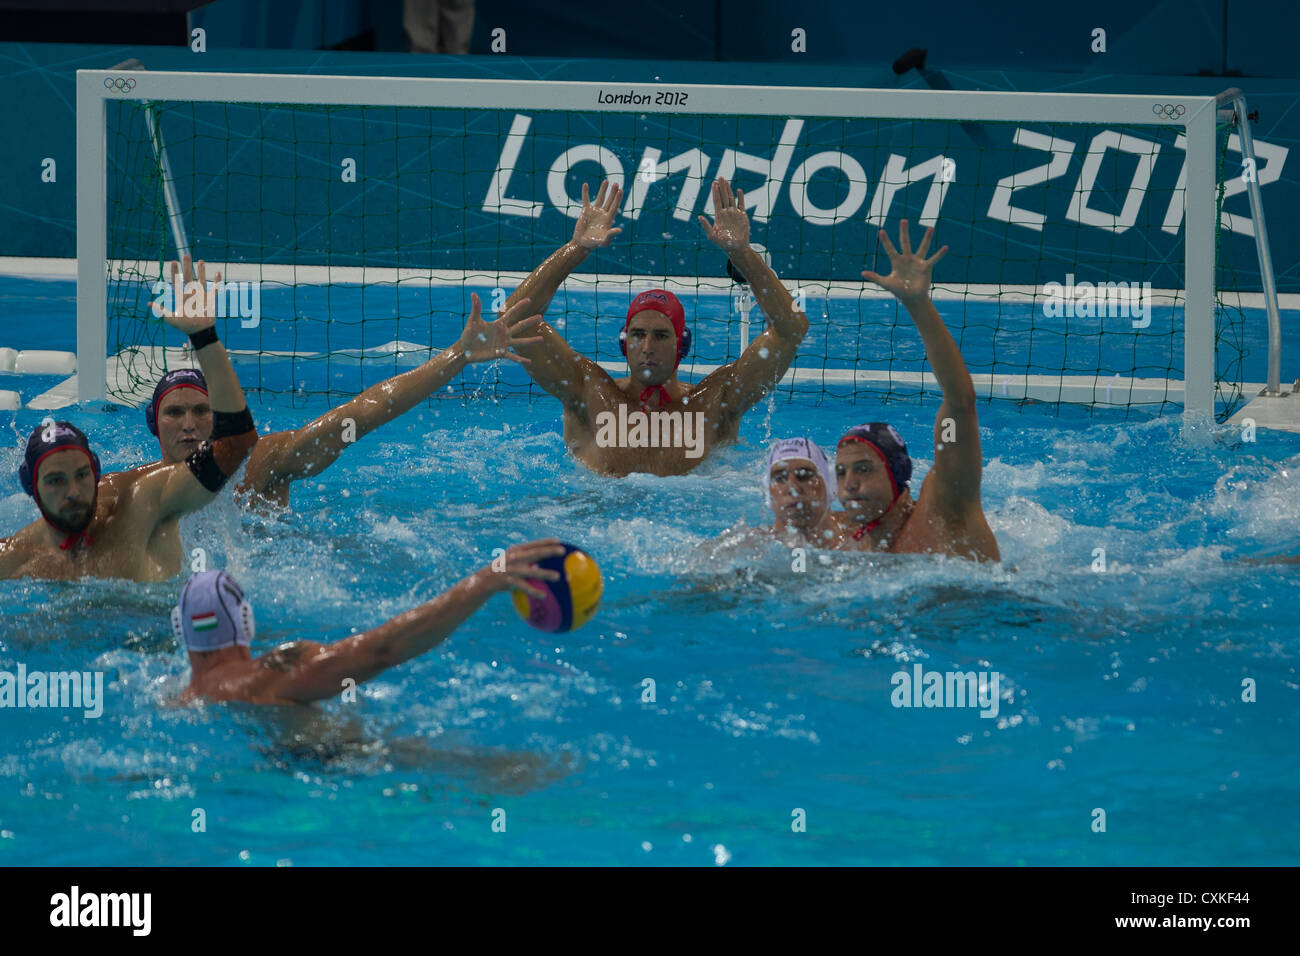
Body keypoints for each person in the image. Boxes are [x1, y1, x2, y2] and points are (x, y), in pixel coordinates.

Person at [500, 178, 809, 476]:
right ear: (624, 342)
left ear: (682, 344)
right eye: (638, 334)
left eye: (661, 335)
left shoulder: (716, 401)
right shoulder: (587, 392)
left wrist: (742, 253)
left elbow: (791, 330)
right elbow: (513, 322)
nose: (647, 346)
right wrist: (576, 248)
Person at [141, 292, 543, 510]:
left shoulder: (261, 465)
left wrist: (457, 354)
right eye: (175, 412)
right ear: (155, 423)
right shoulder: (138, 492)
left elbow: (363, 413)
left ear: (222, 417)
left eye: (201, 410)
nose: (189, 423)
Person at [0, 259, 257, 581]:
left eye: (82, 475)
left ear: (96, 473)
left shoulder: (138, 512)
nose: (74, 491)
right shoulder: (12, 561)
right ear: (30, 487)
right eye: (56, 480)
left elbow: (236, 443)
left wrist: (204, 337)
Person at [173, 540, 564, 705]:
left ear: (181, 629)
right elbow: (382, 650)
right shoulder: (274, 672)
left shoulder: (176, 700)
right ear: (245, 620)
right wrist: (481, 583)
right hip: (336, 773)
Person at [833, 222, 999, 562]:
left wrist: (917, 304)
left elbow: (960, 401)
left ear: (897, 474)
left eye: (864, 469)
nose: (849, 484)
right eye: (841, 473)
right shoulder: (848, 539)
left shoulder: (944, 508)